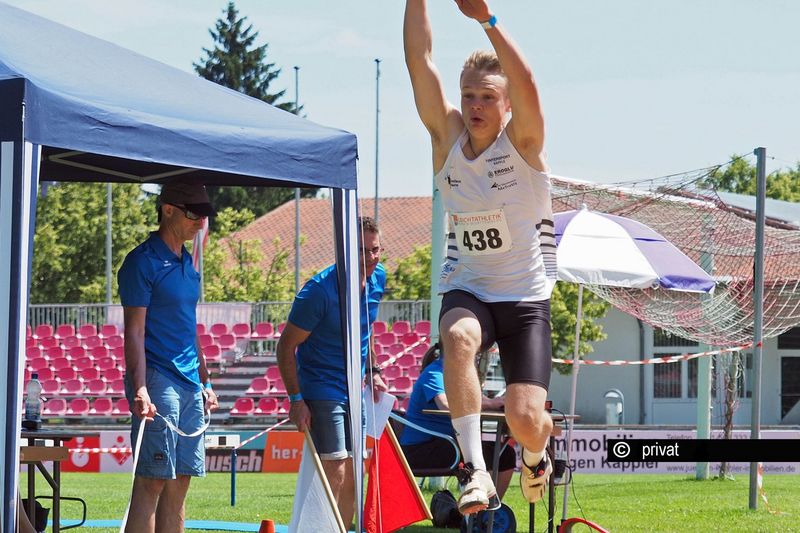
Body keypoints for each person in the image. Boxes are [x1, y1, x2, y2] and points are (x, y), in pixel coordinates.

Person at [404, 0, 557, 515]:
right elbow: (419, 60)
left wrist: (487, 21)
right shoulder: (446, 139)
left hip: (524, 299)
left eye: (488, 97)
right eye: (468, 94)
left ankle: (535, 454)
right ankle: (475, 472)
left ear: (507, 105)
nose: (475, 106)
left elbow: (527, 80)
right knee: (457, 337)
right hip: (469, 287)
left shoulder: (524, 144)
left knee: (524, 417)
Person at [118, 181, 219, 533]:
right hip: (158, 380)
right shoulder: (141, 262)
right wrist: (140, 388)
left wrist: (206, 381)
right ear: (168, 210)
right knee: (152, 481)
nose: (200, 222)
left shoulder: (188, 262)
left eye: (204, 215)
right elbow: (134, 331)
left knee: (181, 481)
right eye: (194, 214)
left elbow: (190, 327)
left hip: (191, 384)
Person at [276, 216, 388, 528]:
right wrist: (296, 400)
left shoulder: (378, 277)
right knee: (334, 471)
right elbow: (285, 347)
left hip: (355, 389)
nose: (370, 258)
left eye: (375, 249)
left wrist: (373, 369)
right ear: (345, 250)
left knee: (355, 474)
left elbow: (365, 328)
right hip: (322, 388)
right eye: (362, 251)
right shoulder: (318, 291)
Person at [399, 344, 515, 500]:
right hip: (419, 450)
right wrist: (491, 404)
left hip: (447, 443)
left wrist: (498, 403)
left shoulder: (461, 376)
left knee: (506, 454)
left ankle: (490, 508)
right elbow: (445, 405)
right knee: (484, 455)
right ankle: (482, 508)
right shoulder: (434, 372)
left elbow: (481, 401)